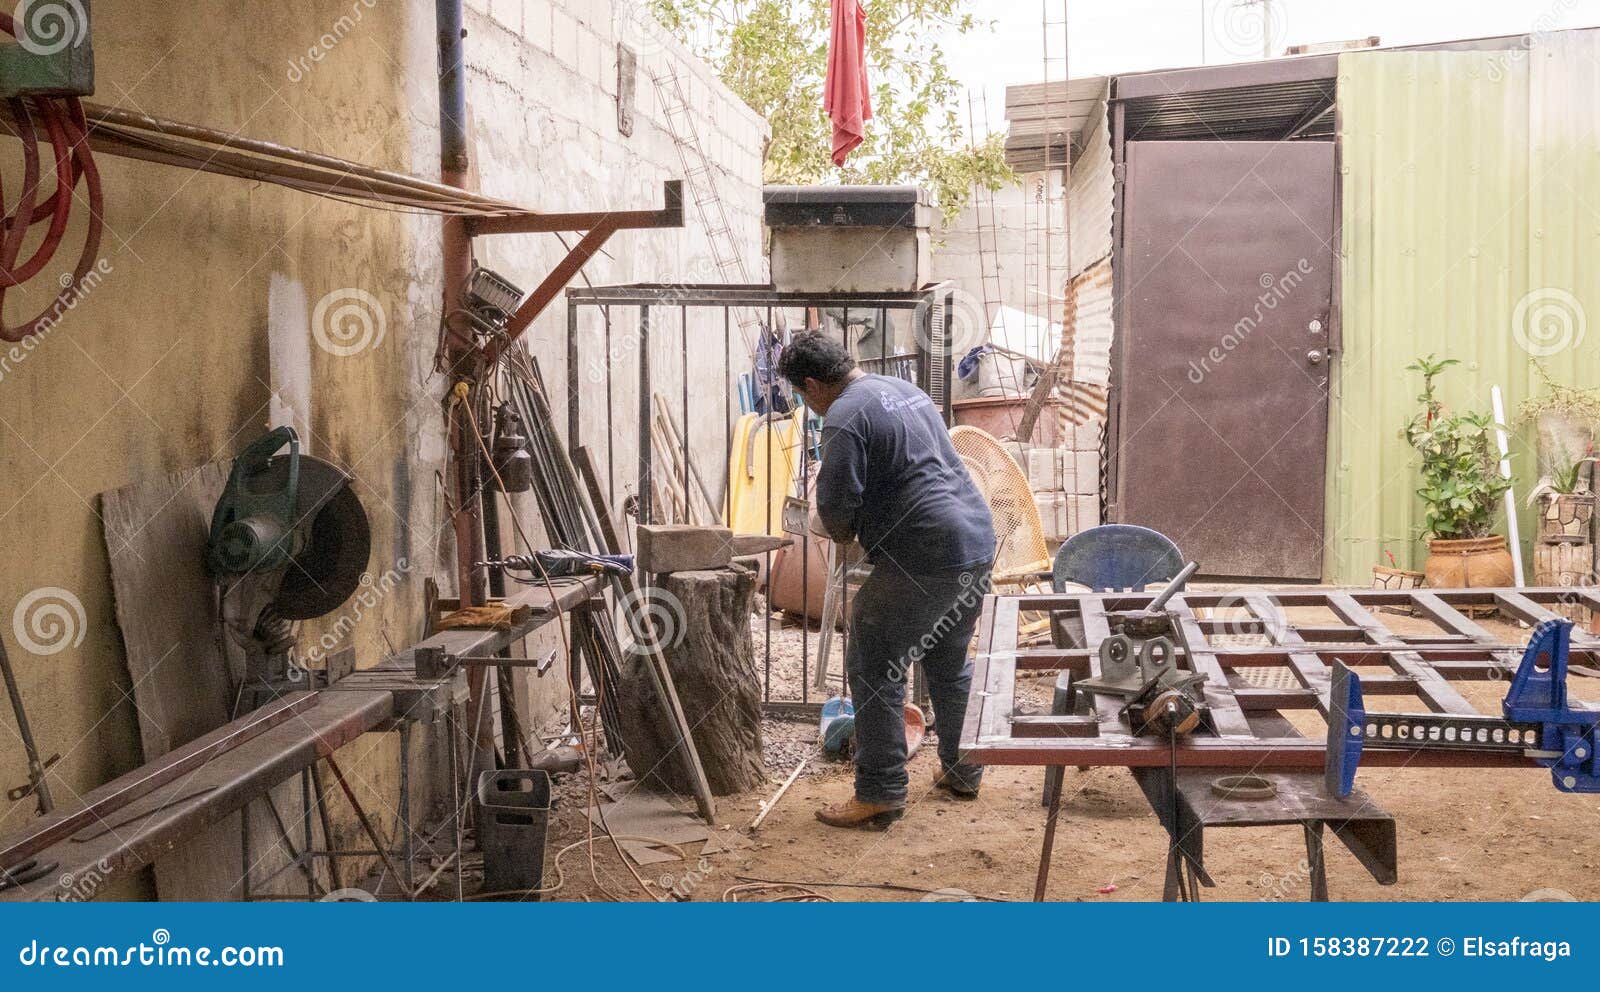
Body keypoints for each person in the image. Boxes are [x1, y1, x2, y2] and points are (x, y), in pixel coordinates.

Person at [777, 332, 997, 830]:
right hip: (975, 541)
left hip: (926, 553)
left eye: (800, 395)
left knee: (873, 659)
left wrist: (840, 526)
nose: (806, 405)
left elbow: (835, 512)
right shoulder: (907, 391)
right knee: (946, 659)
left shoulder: (842, 417)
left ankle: (879, 790)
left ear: (811, 384)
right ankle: (963, 770)